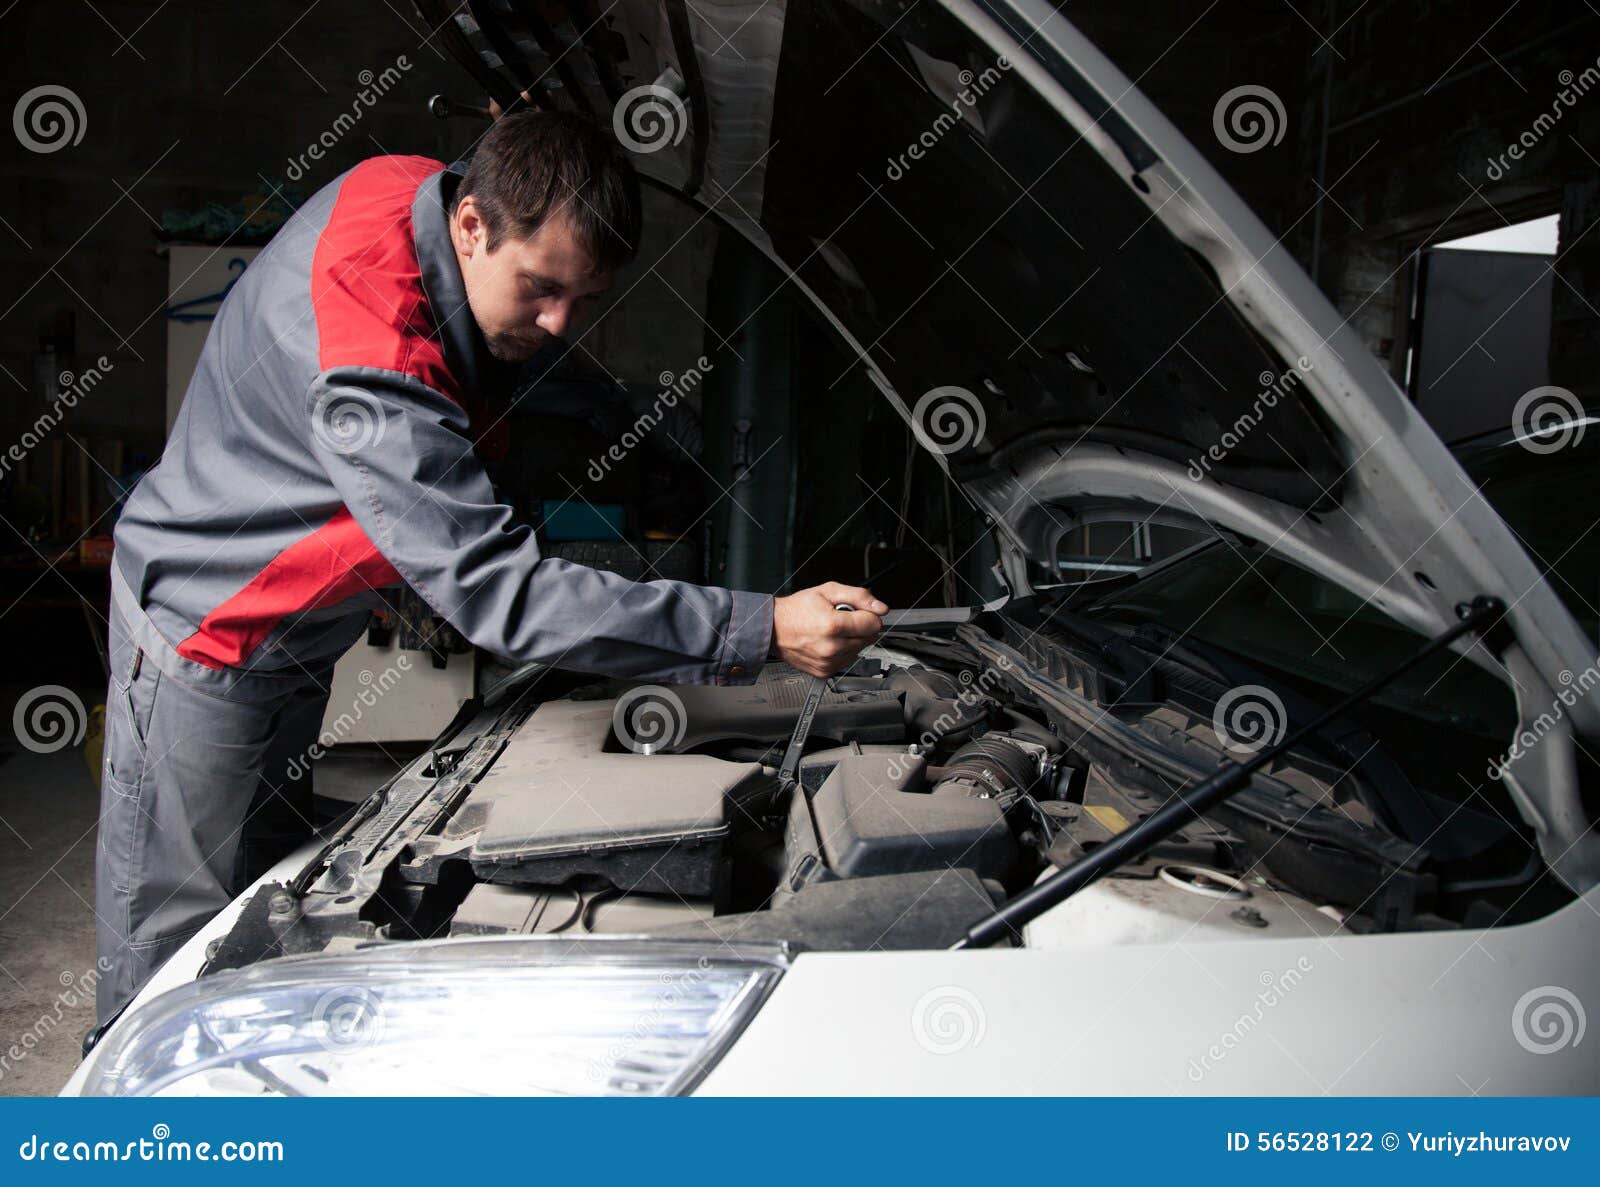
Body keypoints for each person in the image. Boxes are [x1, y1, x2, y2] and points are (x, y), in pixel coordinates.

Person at [95, 110, 886, 1024]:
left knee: (266, 909)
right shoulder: (375, 356)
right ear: (472, 226)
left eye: (584, 300)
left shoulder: (420, 187)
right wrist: (763, 626)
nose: (557, 324)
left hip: (305, 625)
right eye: (541, 289)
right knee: (170, 953)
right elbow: (498, 592)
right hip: (208, 631)